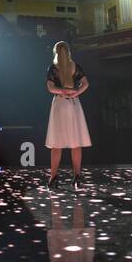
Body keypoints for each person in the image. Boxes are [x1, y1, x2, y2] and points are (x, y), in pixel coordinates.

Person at [45, 41, 91, 190]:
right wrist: (76, 92)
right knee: (76, 143)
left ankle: (53, 177)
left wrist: (62, 91)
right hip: (73, 104)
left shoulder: (53, 68)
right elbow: (85, 83)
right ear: (68, 52)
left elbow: (51, 88)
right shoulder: (75, 67)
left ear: (56, 52)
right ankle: (77, 176)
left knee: (56, 144)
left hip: (60, 104)